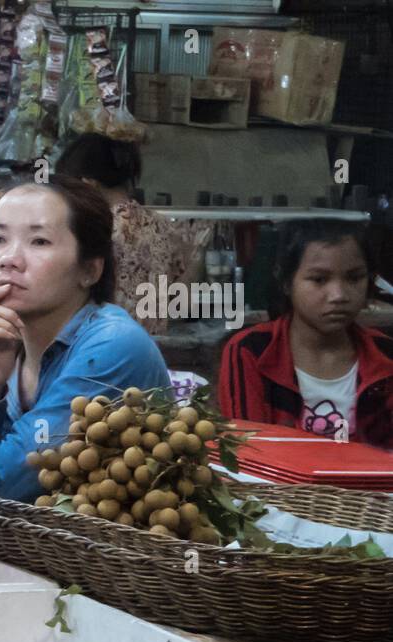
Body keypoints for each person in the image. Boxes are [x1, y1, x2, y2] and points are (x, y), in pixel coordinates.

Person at [0, 175, 170, 508]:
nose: (10, 259)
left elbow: (8, 479)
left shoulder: (113, 344)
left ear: (90, 270)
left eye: (39, 242)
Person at [218, 220, 393, 448]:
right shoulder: (250, 351)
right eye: (319, 279)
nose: (338, 295)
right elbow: (247, 452)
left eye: (354, 278)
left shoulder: (385, 355)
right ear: (287, 282)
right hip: (276, 484)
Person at [55, 132, 206, 334]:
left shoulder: (95, 229)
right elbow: (181, 291)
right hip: (151, 350)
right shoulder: (164, 225)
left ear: (88, 185)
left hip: (102, 347)